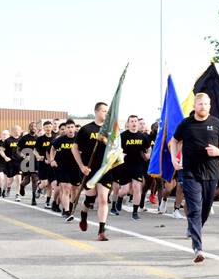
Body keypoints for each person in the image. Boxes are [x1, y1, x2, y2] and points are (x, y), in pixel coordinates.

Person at [170, 93, 219, 263]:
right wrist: (175, 158)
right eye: (200, 103)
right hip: (190, 172)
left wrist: (218, 152)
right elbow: (174, 141)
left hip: (211, 174)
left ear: (209, 106)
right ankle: (198, 248)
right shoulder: (186, 124)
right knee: (195, 208)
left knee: (205, 209)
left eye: (206, 104)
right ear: (195, 106)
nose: (203, 106)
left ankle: (194, 227)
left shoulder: (217, 123)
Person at [74, 103, 110, 240]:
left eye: (107, 111)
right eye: (103, 111)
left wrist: (106, 140)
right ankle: (84, 214)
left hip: (105, 169)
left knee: (103, 199)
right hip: (89, 169)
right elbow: (74, 149)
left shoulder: (111, 130)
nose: (105, 113)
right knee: (90, 197)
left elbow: (115, 148)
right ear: (96, 111)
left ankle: (101, 231)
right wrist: (82, 166)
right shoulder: (85, 129)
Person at [112, 115, 151, 220]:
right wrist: (120, 155)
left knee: (137, 188)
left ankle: (135, 212)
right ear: (128, 123)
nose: (134, 123)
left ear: (137, 123)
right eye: (131, 121)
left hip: (138, 165)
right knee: (124, 190)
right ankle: (119, 198)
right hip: (125, 166)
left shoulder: (143, 136)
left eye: (135, 121)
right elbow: (115, 148)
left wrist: (148, 155)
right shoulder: (123, 136)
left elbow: (149, 147)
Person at [51, 120, 81, 220]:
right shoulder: (60, 139)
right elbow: (53, 148)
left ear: (74, 128)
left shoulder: (79, 138)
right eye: (68, 127)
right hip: (63, 167)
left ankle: (71, 205)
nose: (70, 129)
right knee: (66, 188)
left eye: (72, 127)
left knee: (75, 190)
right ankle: (66, 211)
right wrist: (52, 160)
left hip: (76, 167)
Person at [17, 122, 39, 202]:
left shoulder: (38, 138)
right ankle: (22, 186)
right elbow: (18, 150)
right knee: (27, 180)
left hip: (35, 162)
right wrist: (23, 155)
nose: (33, 127)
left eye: (35, 126)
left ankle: (33, 198)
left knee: (35, 179)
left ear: (36, 128)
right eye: (31, 126)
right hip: (26, 162)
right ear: (29, 128)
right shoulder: (24, 138)